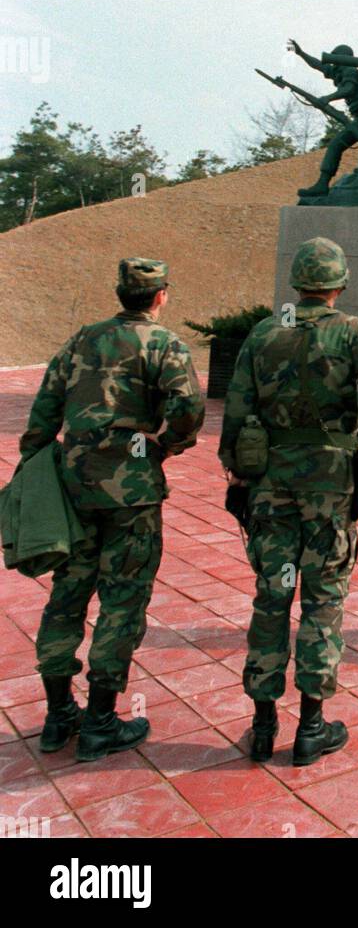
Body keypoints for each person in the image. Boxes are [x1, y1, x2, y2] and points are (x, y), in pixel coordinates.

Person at [219, 237, 358, 765]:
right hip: (329, 486)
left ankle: (261, 724)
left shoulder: (264, 331)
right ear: (339, 284)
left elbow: (237, 403)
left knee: (272, 597)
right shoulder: (353, 331)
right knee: (323, 601)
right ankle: (312, 728)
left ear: (297, 283)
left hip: (270, 485)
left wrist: (236, 468)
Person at [19, 258, 204, 761]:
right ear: (161, 295)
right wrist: (165, 446)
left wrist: (34, 460)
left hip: (75, 488)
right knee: (122, 602)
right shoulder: (164, 344)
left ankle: (58, 717)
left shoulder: (83, 338)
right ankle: (100, 720)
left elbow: (46, 404)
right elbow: (189, 409)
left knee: (68, 594)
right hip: (133, 491)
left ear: (121, 292)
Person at [287, 40, 358, 198]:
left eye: (335, 58)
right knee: (336, 145)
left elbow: (349, 89)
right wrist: (301, 53)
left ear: (343, 59)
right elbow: (319, 65)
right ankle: (322, 184)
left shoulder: (350, 71)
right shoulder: (339, 72)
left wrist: (328, 98)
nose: (332, 63)